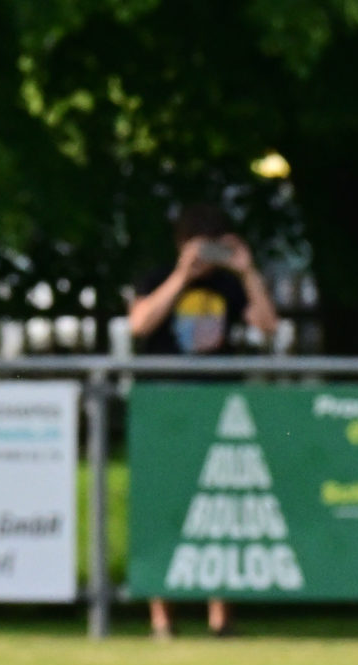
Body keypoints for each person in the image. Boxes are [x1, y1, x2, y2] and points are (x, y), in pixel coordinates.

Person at [130, 203, 280, 640]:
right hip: (165, 408)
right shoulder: (157, 278)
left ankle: (221, 617)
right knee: (162, 508)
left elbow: (268, 326)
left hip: (217, 406)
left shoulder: (230, 286)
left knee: (220, 505)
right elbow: (140, 325)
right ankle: (162, 617)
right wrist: (181, 276)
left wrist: (248, 273)